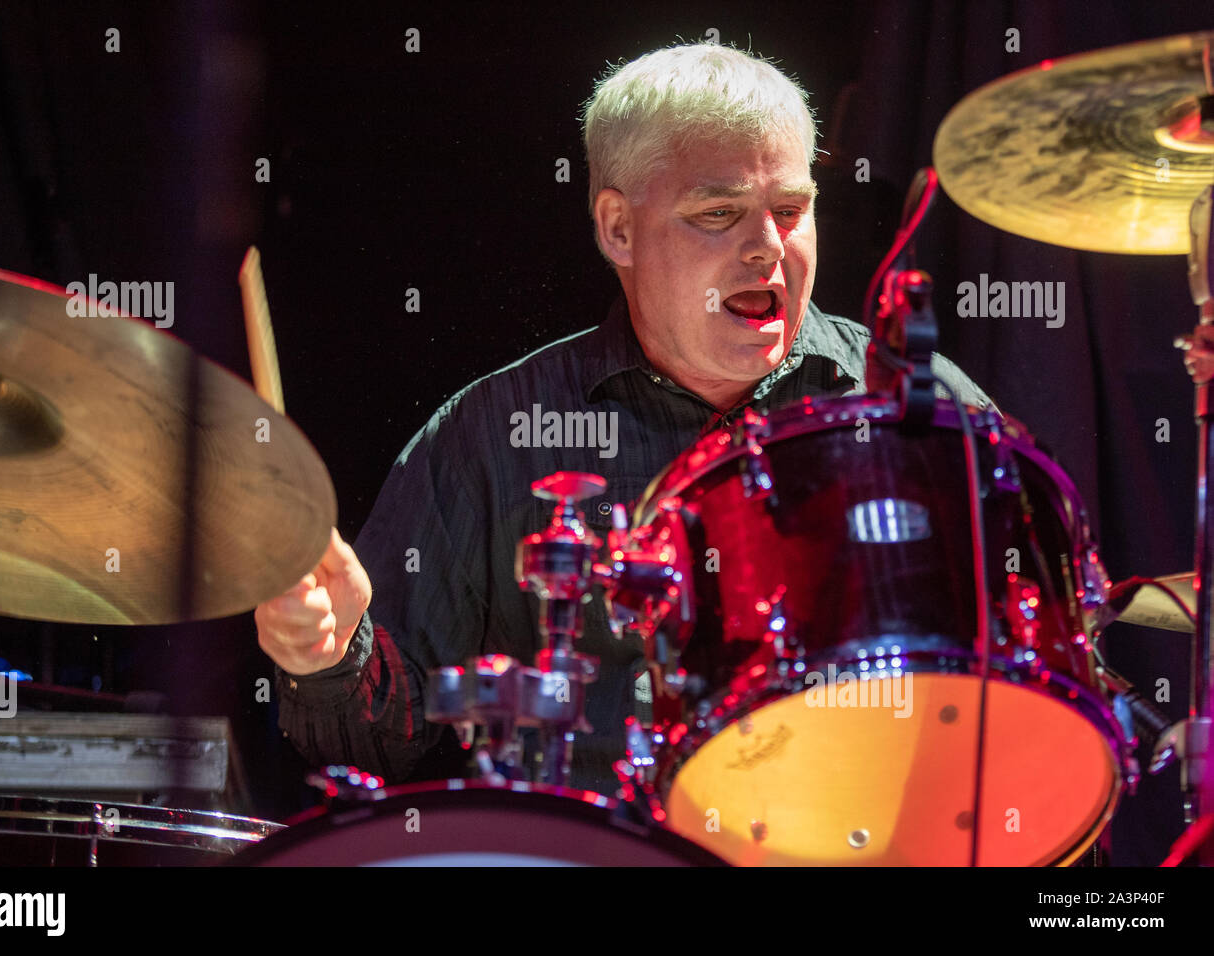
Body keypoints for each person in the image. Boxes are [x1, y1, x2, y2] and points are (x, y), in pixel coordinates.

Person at [254, 43, 992, 792]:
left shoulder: (921, 409)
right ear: (618, 229)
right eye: (719, 213)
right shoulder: (497, 433)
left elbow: (1032, 665)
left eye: (790, 211)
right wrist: (331, 655)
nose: (768, 248)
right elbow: (377, 744)